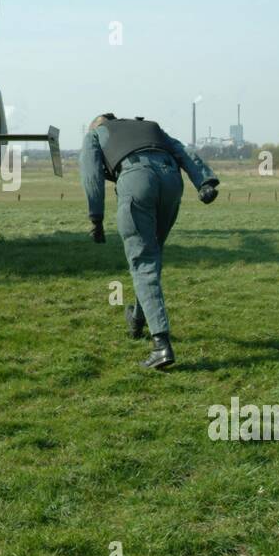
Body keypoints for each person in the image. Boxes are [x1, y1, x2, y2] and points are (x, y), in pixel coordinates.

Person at [80, 113, 219, 369]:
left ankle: (161, 346)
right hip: (171, 181)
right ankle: (136, 318)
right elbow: (181, 149)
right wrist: (204, 181)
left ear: (96, 124)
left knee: (143, 261)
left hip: (136, 180)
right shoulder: (148, 126)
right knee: (151, 257)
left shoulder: (96, 133)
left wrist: (96, 219)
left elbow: (91, 174)